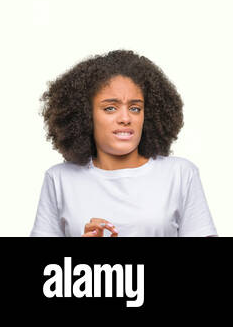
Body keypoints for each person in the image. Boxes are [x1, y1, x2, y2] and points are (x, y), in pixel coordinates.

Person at [31, 50, 216, 237]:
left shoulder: (180, 175)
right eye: (110, 108)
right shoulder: (60, 179)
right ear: (85, 115)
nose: (126, 118)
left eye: (135, 108)